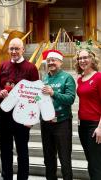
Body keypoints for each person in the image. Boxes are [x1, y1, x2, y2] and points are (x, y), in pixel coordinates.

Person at [0, 37, 39, 180]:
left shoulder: (31, 68)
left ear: (23, 50)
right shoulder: (3, 66)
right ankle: (6, 177)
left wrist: (31, 118)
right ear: (8, 50)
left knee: (22, 151)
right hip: (4, 115)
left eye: (17, 48)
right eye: (11, 48)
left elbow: (36, 94)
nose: (14, 51)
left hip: (22, 115)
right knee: (5, 150)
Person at [41, 49, 76, 180]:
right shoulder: (44, 78)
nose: (51, 63)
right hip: (46, 123)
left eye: (54, 60)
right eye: (49, 61)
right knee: (48, 159)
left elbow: (70, 99)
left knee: (64, 158)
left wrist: (53, 93)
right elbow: (41, 99)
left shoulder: (67, 77)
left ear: (60, 62)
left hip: (62, 122)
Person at [75, 48, 101, 180]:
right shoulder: (81, 79)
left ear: (92, 59)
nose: (82, 60)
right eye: (80, 58)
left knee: (96, 163)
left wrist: (100, 127)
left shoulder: (99, 77)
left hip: (95, 125)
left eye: (85, 57)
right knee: (90, 160)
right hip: (82, 125)